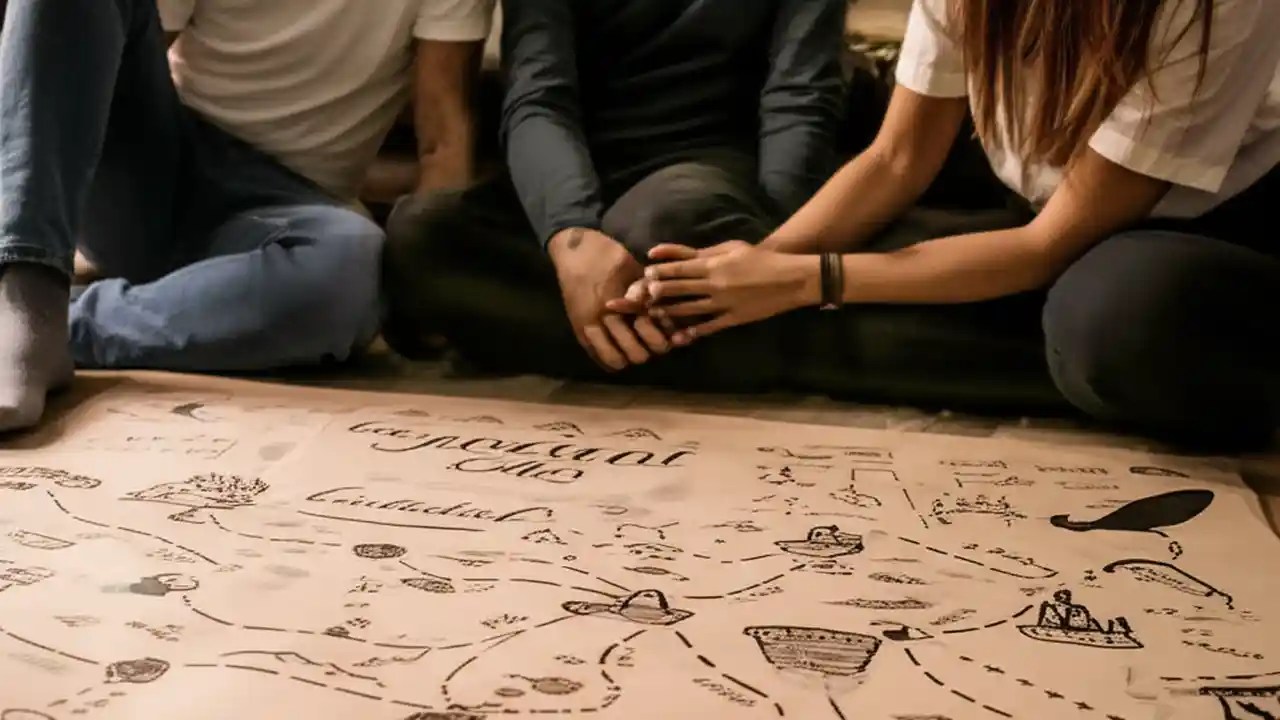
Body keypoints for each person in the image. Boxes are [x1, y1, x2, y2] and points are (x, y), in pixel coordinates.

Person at [628, 0, 1280, 448]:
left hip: (1199, 234)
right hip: (1037, 209)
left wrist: (807, 281)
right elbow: (896, 160)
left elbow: (1046, 245)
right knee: (718, 242)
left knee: (1117, 322)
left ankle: (1097, 363)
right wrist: (749, 272)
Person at [0, 0, 495, 431]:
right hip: (157, 170)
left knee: (354, 267)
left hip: (288, 211)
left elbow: (442, 139)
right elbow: (118, 48)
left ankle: (63, 325)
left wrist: (431, 290)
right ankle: (26, 295)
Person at [382, 0, 846, 375]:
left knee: (666, 228)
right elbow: (538, 98)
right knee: (419, 234)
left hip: (704, 182)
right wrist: (572, 235)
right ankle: (711, 346)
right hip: (584, 172)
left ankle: (556, 336)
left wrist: (767, 258)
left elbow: (799, 97)